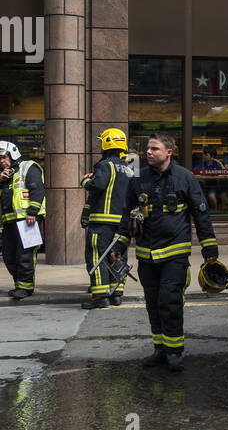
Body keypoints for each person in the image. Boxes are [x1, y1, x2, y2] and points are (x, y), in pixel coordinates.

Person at [122, 133, 219, 370]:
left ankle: (175, 352)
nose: (148, 152)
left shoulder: (185, 178)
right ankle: (160, 349)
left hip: (174, 255)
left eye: (154, 148)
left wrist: (209, 246)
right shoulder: (138, 178)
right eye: (147, 148)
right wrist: (119, 245)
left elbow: (201, 213)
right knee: (153, 304)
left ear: (169, 152)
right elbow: (126, 213)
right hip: (146, 255)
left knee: (169, 301)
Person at [80, 128, 133, 308]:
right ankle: (116, 294)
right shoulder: (129, 168)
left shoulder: (104, 165)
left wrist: (86, 181)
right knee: (117, 257)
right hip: (122, 224)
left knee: (97, 256)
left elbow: (97, 186)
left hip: (102, 223)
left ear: (106, 143)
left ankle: (100, 297)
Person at [0, 141, 45, 300]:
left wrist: (32, 211)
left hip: (28, 220)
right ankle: (19, 284)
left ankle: (25, 287)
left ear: (13, 154)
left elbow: (37, 190)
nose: (1, 161)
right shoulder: (4, 175)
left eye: (4, 157)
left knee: (24, 255)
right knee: (9, 255)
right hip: (9, 222)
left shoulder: (28, 167)